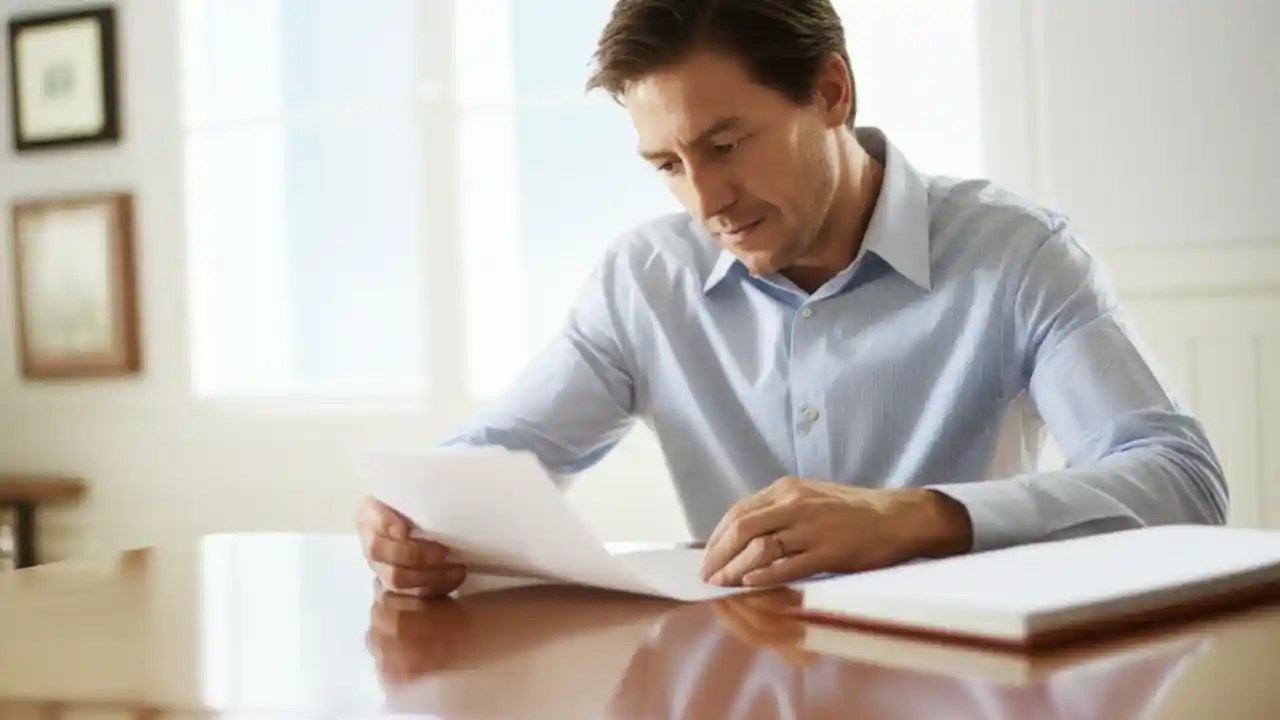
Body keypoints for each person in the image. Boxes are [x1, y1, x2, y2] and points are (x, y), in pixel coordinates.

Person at [357, 0, 1227, 598]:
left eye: (726, 144)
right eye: (667, 166)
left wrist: (916, 518)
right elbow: (493, 463)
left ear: (832, 92)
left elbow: (1182, 482)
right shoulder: (644, 282)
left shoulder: (1017, 255)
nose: (706, 201)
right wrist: (414, 520)